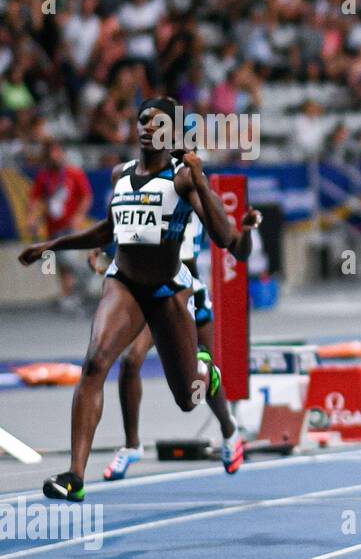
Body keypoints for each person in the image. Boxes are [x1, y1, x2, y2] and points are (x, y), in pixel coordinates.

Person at [18, 97, 259, 502]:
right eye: (142, 120)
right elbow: (106, 231)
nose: (147, 126)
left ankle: (207, 376)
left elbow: (227, 241)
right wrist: (50, 245)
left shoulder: (182, 178)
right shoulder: (121, 174)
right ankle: (76, 476)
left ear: (171, 133)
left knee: (187, 397)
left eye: (157, 122)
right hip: (124, 283)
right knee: (95, 362)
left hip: (167, 289)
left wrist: (199, 177)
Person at [95, 207, 255, 480]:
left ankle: (229, 430)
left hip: (188, 291)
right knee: (131, 360)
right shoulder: (143, 186)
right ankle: (132, 444)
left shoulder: (193, 189)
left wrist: (247, 230)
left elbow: (237, 246)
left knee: (200, 376)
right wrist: (100, 250)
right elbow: (120, 225)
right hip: (152, 291)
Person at [26, 140, 93, 313]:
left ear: (62, 153)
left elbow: (86, 196)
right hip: (52, 228)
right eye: (50, 154)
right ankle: (69, 295)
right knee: (60, 263)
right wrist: (32, 217)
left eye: (56, 152)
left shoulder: (74, 173)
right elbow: (35, 199)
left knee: (68, 259)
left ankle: (82, 282)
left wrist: (79, 215)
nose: (53, 157)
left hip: (70, 228)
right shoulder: (43, 176)